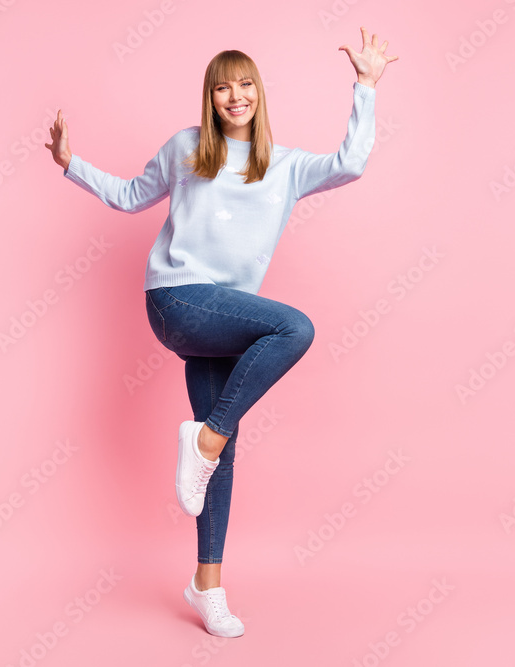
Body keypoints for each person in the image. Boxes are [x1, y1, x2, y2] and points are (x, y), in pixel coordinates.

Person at [45, 26, 397, 637]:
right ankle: (203, 440)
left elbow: (352, 163)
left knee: (223, 453)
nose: (235, 96)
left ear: (259, 93)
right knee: (295, 328)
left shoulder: (284, 166)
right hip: (177, 302)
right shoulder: (185, 149)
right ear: (209, 98)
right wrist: (70, 163)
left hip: (225, 321)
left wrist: (365, 85)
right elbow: (130, 196)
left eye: (245, 85)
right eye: (223, 87)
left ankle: (206, 583)